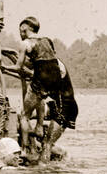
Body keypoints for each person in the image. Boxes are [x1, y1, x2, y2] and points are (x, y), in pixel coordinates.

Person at [17, 17, 78, 161]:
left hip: (66, 107)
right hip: (55, 104)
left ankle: (43, 168)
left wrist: (19, 67)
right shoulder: (45, 63)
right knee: (20, 116)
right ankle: (33, 147)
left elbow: (33, 78)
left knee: (46, 144)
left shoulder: (53, 67)